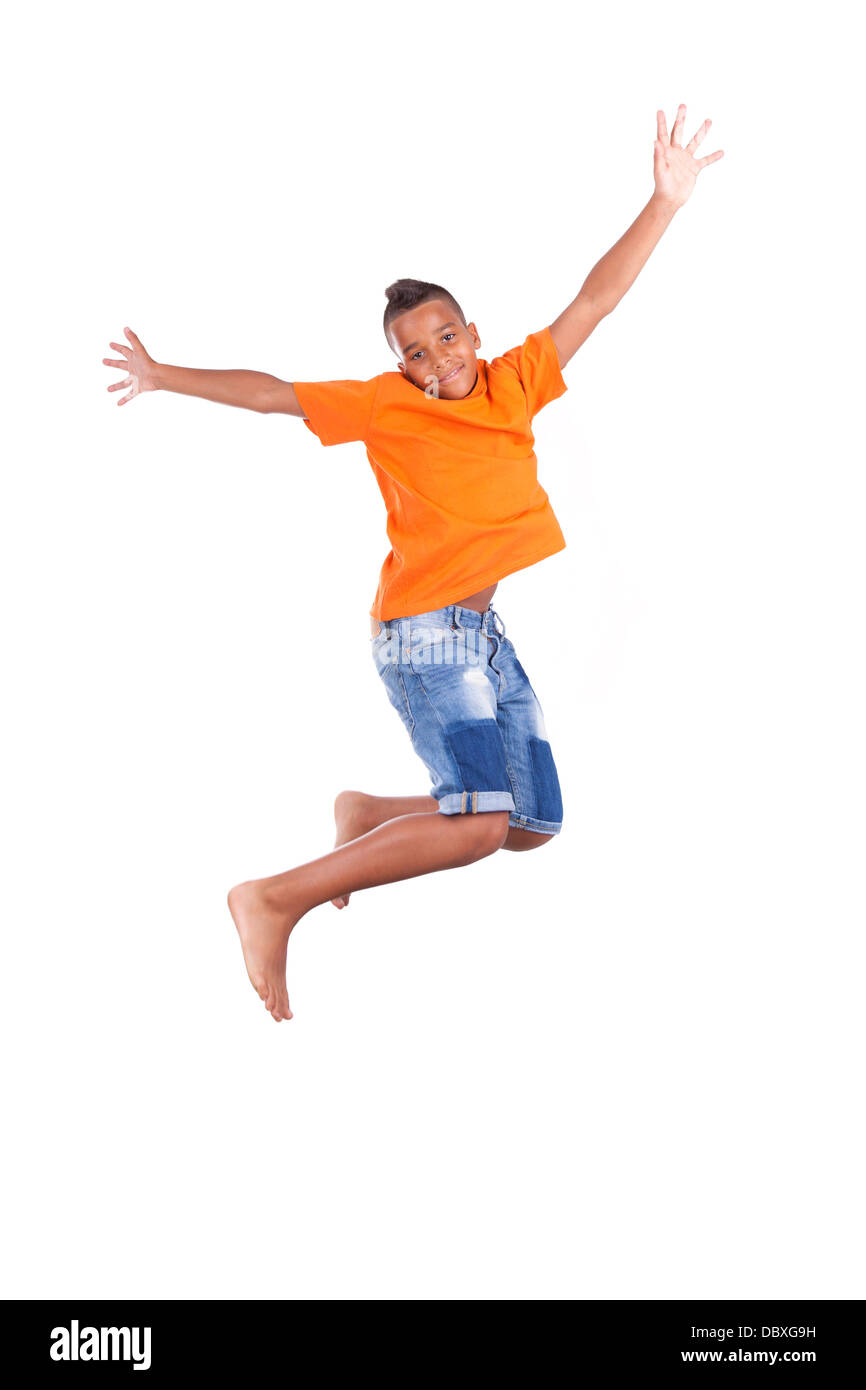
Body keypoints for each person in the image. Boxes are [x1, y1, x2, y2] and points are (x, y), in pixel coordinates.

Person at [103, 105, 723, 1022]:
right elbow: (274, 395)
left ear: (474, 330)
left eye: (446, 337)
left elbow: (594, 298)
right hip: (424, 635)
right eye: (415, 353)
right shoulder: (388, 407)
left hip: (482, 637)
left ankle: (365, 814)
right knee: (475, 828)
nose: (437, 360)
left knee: (528, 824)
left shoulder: (514, 382)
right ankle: (275, 896)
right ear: (400, 365)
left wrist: (664, 202)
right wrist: (165, 376)